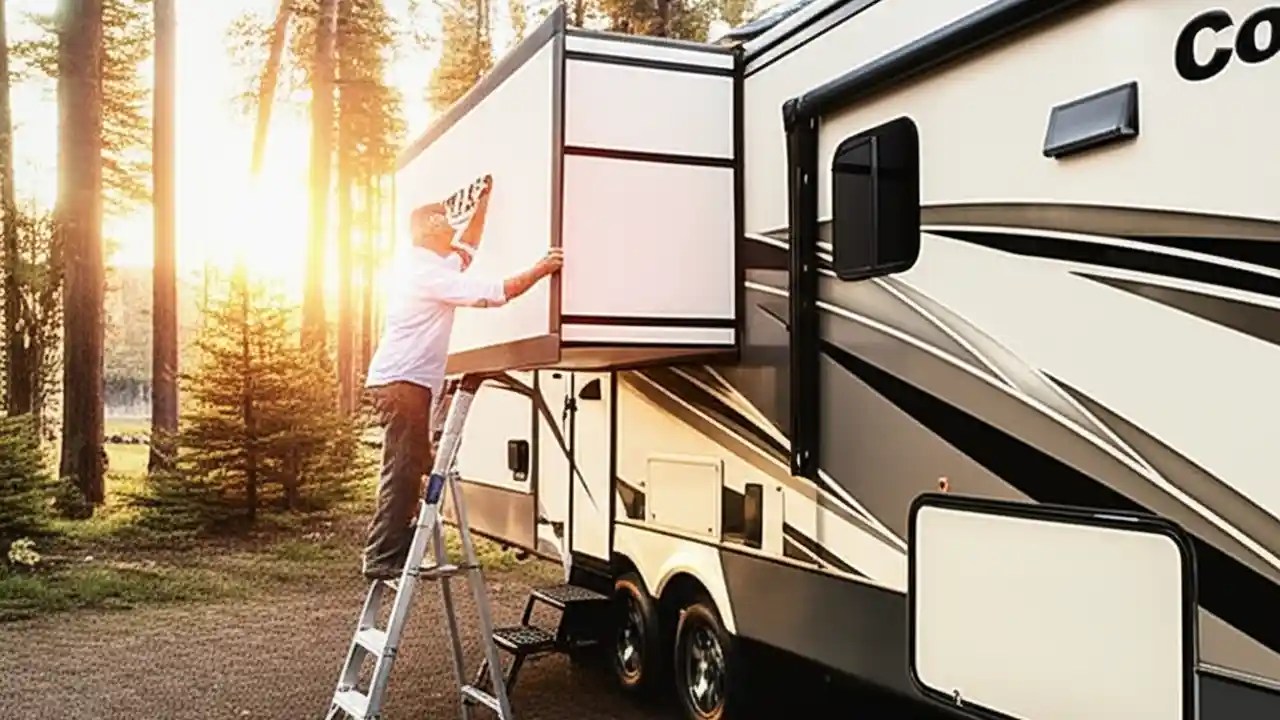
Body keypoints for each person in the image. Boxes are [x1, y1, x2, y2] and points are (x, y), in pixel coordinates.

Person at [362, 177, 562, 581]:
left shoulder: (436, 264)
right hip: (402, 383)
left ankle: (395, 551)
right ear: (424, 230)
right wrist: (542, 269)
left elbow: (468, 248)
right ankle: (383, 557)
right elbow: (492, 293)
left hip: (408, 383)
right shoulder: (423, 273)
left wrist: (483, 202)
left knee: (412, 464)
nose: (448, 221)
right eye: (440, 218)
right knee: (401, 470)